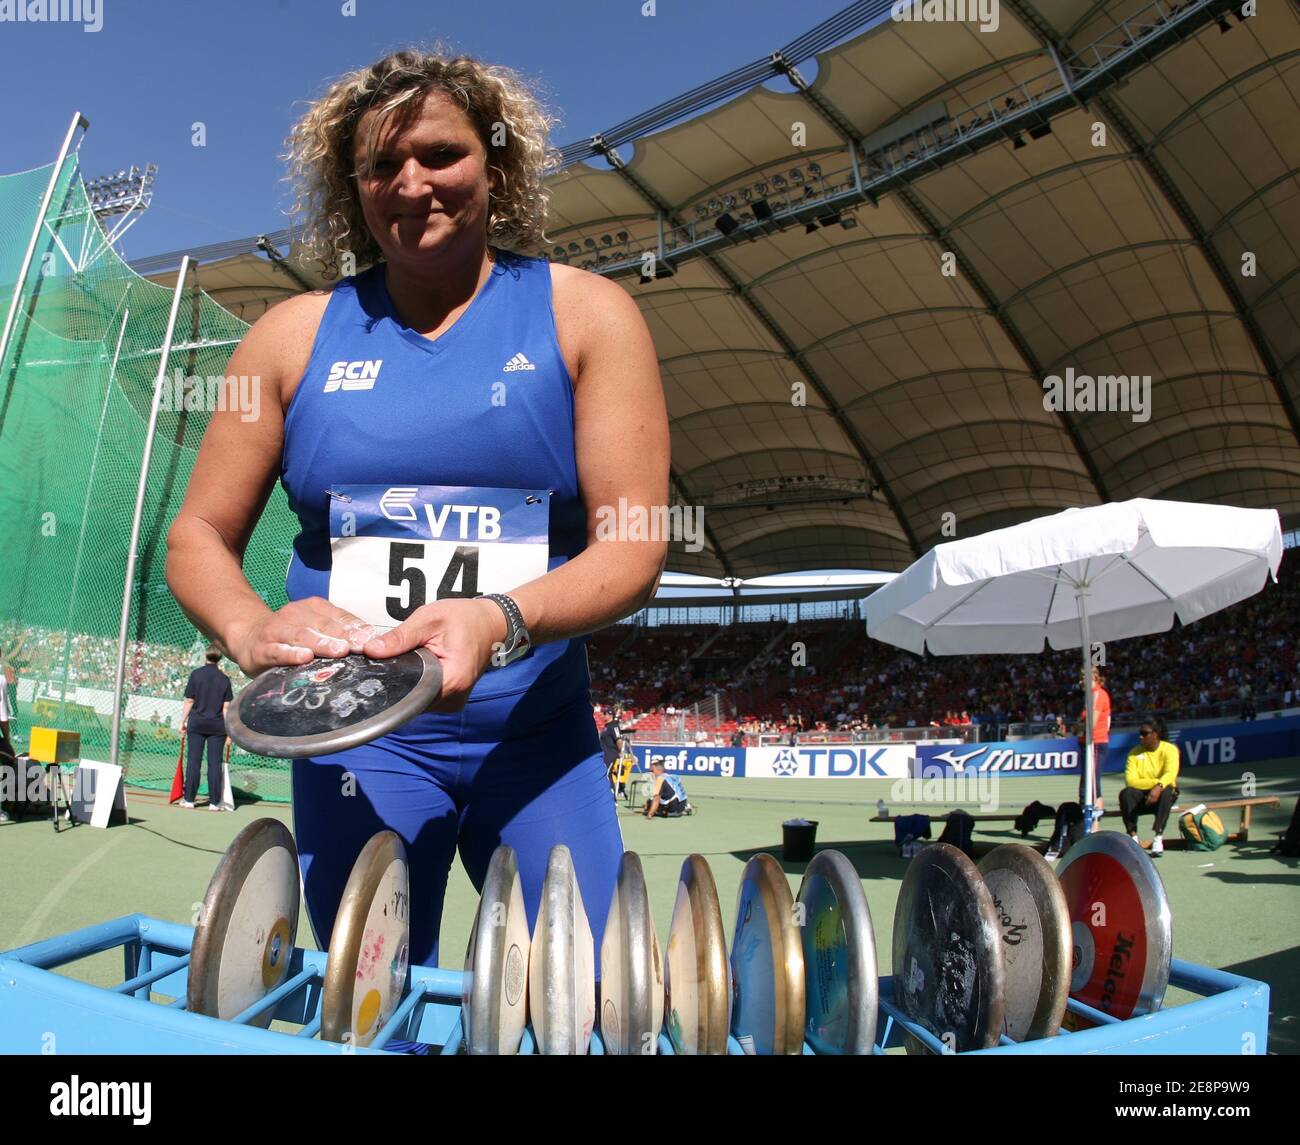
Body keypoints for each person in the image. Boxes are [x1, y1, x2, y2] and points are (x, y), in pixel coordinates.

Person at [165, 45, 669, 1021]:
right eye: (379, 167)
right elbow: (196, 531)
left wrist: (498, 617)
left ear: (496, 160)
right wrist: (244, 626)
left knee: (592, 1008)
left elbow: (635, 544)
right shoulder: (287, 337)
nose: (411, 184)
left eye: (439, 154)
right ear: (348, 186)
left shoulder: (588, 315)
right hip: (359, 747)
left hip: (536, 735)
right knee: (374, 1015)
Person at [179, 646, 233, 810]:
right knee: (214, 763)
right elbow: (226, 708)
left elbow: (189, 701)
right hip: (217, 726)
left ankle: (189, 799)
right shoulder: (225, 679)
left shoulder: (196, 675)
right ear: (220, 658)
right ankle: (214, 802)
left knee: (194, 761)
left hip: (197, 723)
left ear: (206, 656)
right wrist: (229, 731)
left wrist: (182, 722)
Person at [1118, 718, 1179, 856]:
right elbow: (1131, 781)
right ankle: (1133, 837)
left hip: (1163, 794)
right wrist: (1156, 783)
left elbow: (1170, 774)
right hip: (1142, 795)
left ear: (1155, 734)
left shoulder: (1170, 750)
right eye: (1140, 733)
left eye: (1144, 733)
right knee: (1126, 794)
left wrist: (1159, 787)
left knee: (1167, 791)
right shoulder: (1134, 753)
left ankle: (1158, 837)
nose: (1141, 736)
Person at [1078, 667, 1111, 831]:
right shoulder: (1090, 696)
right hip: (1088, 743)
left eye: (1083, 677)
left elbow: (1092, 723)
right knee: (1088, 784)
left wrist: (1077, 729)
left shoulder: (1098, 695)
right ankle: (1090, 826)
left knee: (1091, 785)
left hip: (1095, 744)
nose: (1080, 681)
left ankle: (1093, 827)